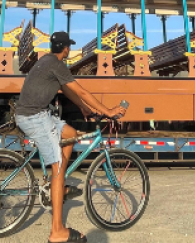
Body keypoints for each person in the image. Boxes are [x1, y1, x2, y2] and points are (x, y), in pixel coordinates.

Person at [15, 31, 127, 243]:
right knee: (58, 167)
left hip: (35, 114)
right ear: (65, 48)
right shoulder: (56, 64)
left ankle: (58, 182)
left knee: (70, 133)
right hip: (34, 117)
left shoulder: (47, 61)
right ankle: (57, 231)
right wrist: (108, 111)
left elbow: (68, 92)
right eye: (69, 47)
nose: (69, 50)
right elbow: (82, 91)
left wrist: (84, 109)